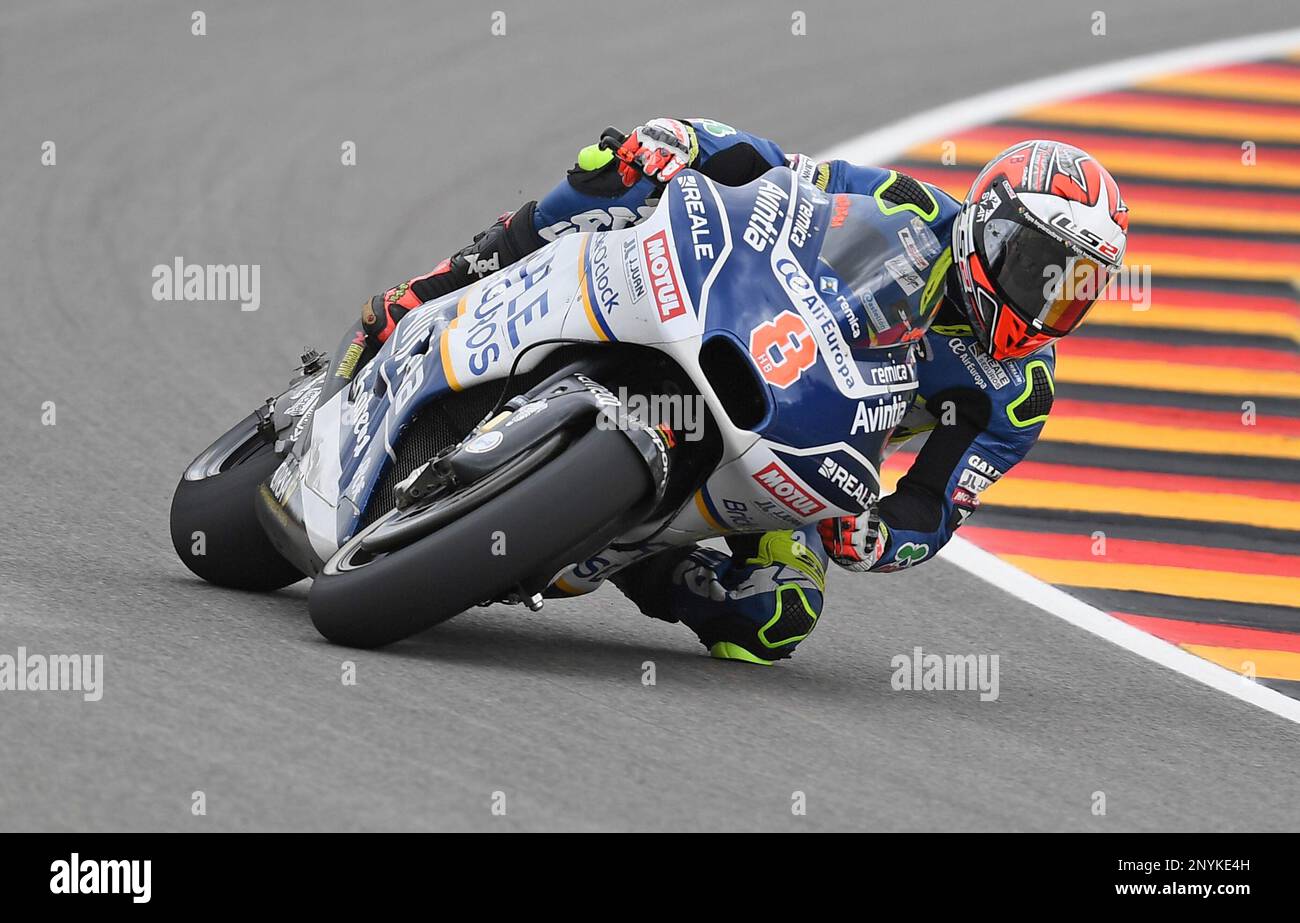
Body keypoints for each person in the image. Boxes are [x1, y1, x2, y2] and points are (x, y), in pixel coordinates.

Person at [360, 119, 1129, 665]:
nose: (1047, 298)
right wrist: (690, 144)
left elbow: (936, 501)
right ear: (988, 229)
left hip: (794, 451)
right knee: (617, 163)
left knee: (774, 620)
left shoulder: (1016, 392)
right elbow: (781, 171)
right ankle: (457, 275)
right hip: (738, 320)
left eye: (1074, 286)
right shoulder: (911, 209)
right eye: (1036, 266)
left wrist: (881, 537)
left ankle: (627, 548)